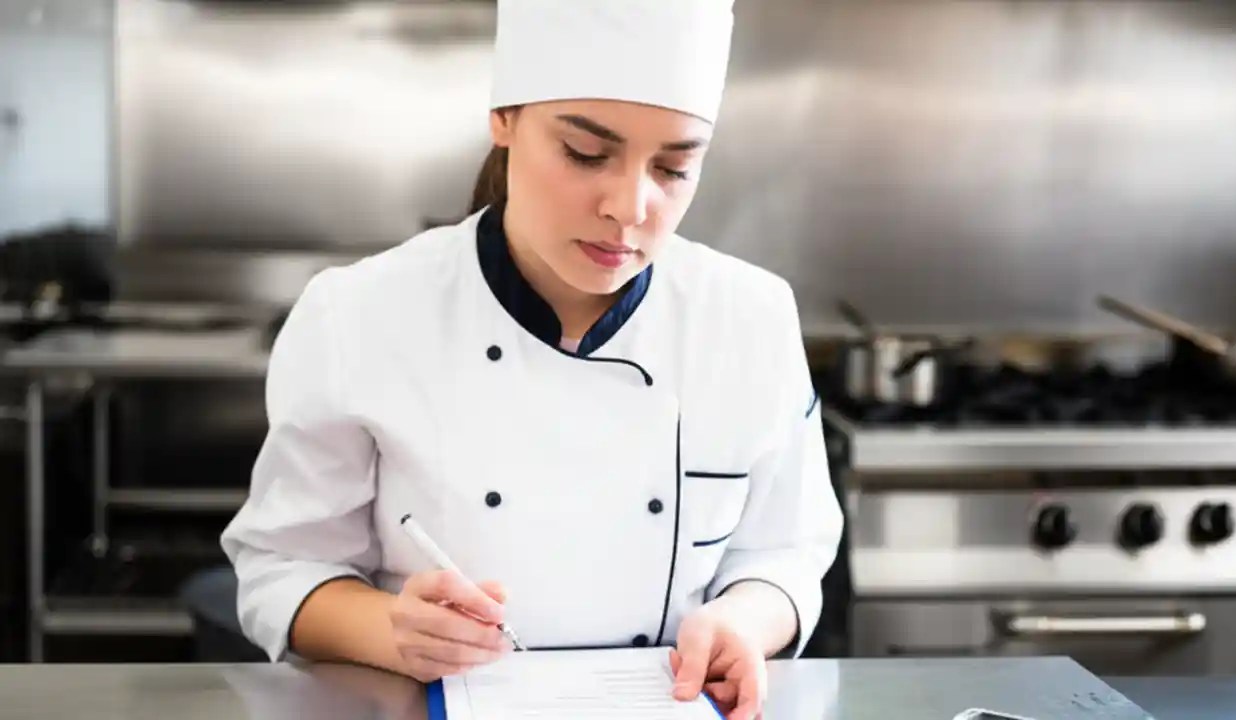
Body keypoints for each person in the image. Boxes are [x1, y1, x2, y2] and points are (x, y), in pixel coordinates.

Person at [220, 2, 843, 718]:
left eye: (674, 167)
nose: (629, 207)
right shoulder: (359, 315)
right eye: (585, 153)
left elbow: (786, 554)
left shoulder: (750, 319)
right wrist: (391, 630)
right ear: (505, 118)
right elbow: (282, 567)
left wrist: (744, 621)